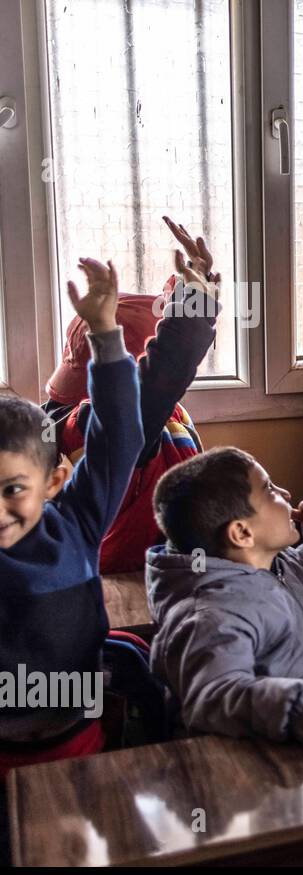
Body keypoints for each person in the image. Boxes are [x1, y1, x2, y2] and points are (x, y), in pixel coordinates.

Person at [0, 255, 144, 771]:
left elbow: (119, 436)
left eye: (13, 489)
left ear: (54, 482)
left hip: (83, 747)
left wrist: (105, 335)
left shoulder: (75, 522)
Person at [148, 448, 303, 760]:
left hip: (290, 746)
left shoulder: (279, 567)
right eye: (269, 490)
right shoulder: (211, 615)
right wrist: (297, 709)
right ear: (242, 533)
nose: (286, 494)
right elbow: (215, 694)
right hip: (240, 769)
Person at [42, 217, 219, 572]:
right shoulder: (89, 424)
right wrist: (197, 300)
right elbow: (167, 367)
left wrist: (195, 285)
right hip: (135, 576)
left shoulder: (162, 414)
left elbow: (163, 373)